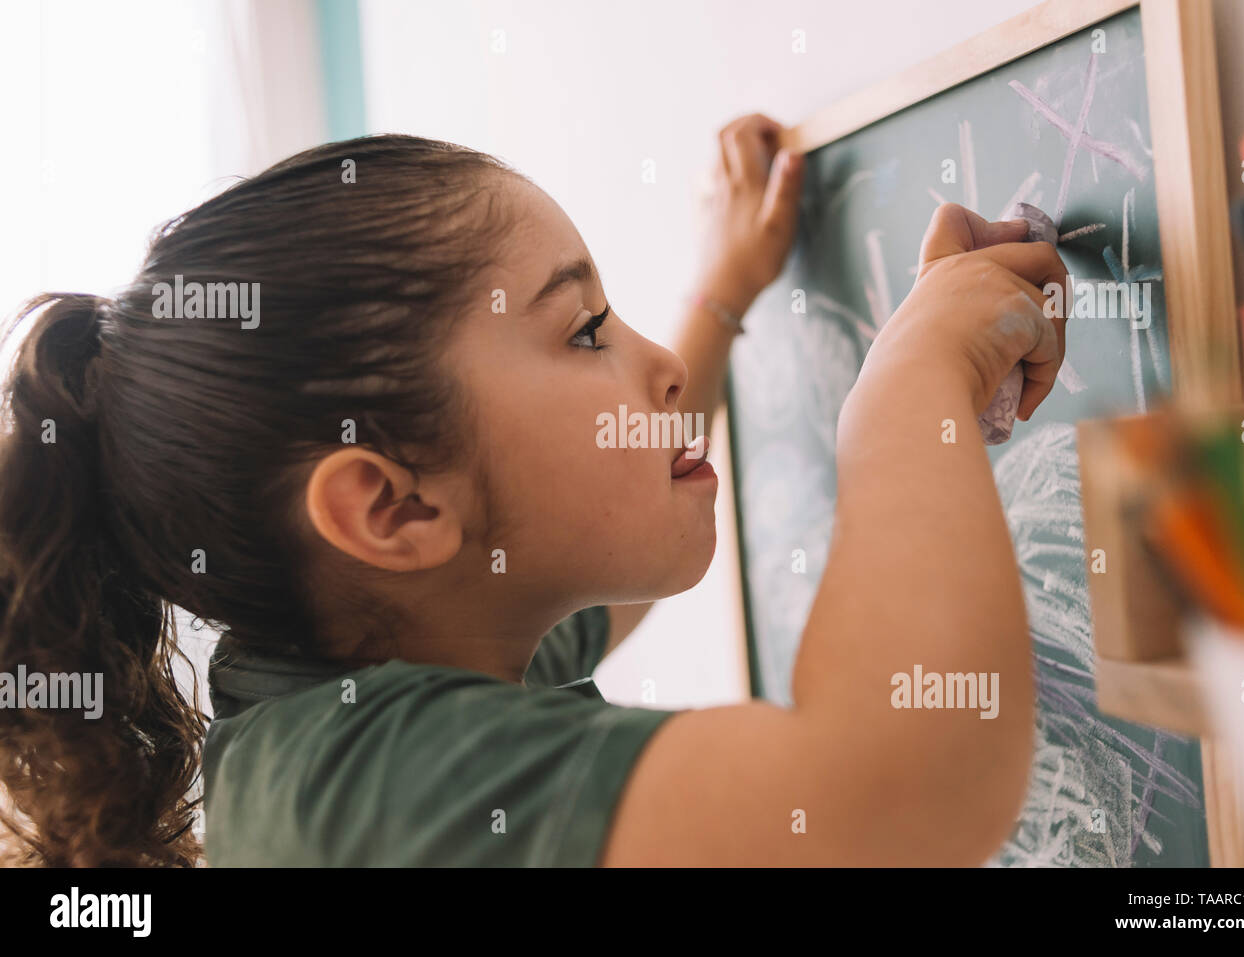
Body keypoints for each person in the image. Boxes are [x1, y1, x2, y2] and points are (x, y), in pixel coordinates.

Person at [0, 115, 1067, 866]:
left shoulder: (375, 643)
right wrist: (909, 392)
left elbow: (615, 540)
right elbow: (900, 797)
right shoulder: (369, 791)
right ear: (394, 508)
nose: (660, 369)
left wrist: (726, 289)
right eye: (586, 331)